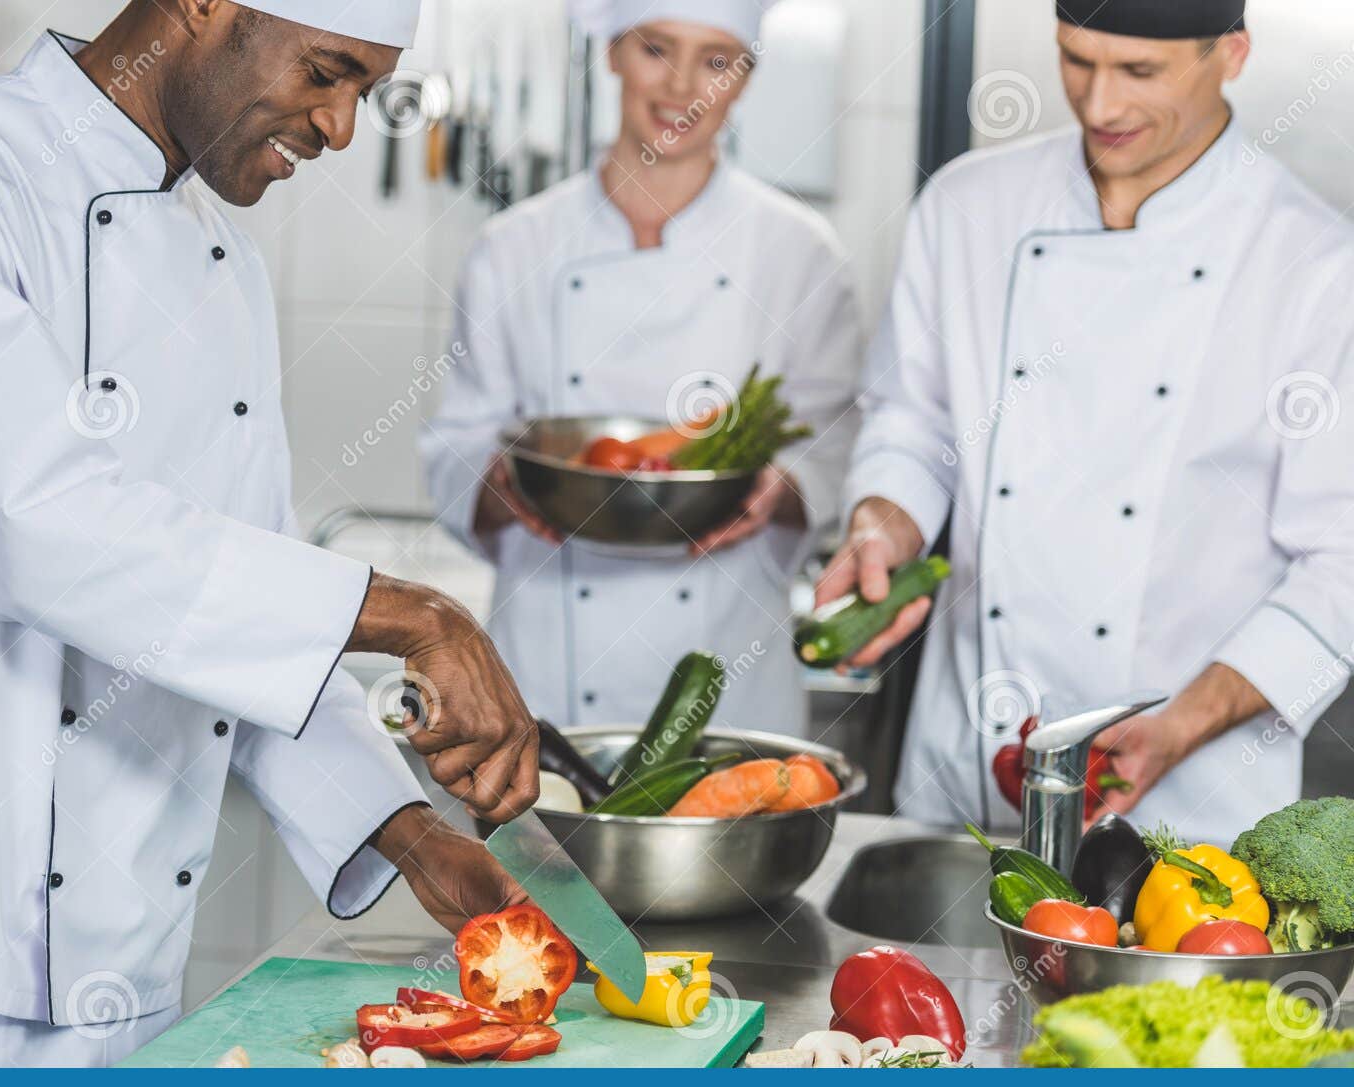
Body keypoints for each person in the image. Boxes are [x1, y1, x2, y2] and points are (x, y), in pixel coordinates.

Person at [0, 0, 542, 1067]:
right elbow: (37, 524)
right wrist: (417, 616)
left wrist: (410, 836)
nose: (343, 129)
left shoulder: (225, 266)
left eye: (365, 90)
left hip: (125, 941)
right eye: (326, 71)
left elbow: (236, 610)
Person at [817, 0, 1354, 841]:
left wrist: (1182, 723)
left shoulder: (1316, 268)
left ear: (1234, 53)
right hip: (968, 772)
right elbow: (912, 423)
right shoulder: (968, 207)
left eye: (1140, 72)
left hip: (1196, 808)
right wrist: (885, 525)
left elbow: (1341, 561)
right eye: (1077, 60)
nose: (1099, 107)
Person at [421, 0, 861, 738]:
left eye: (717, 61)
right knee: (533, 850)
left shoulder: (801, 254)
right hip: (545, 682)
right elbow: (456, 445)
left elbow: (839, 447)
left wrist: (779, 491)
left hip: (728, 683)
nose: (682, 86)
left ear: (746, 78)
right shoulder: (513, 248)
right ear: (612, 53)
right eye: (657, 48)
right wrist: (501, 483)